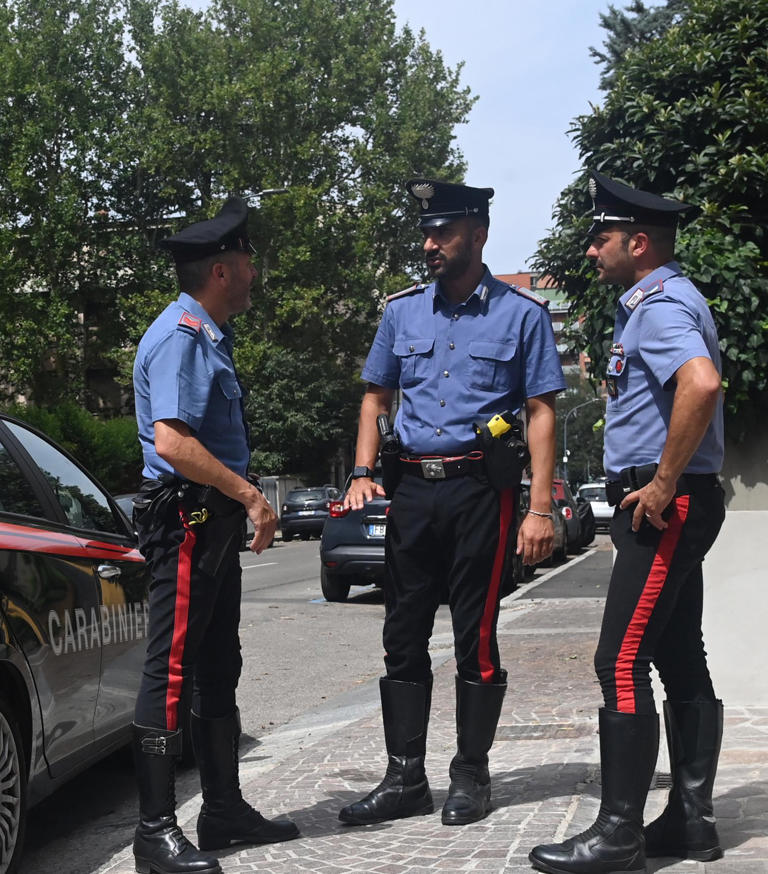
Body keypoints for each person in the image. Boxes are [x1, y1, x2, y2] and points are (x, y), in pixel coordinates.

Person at [338, 179, 565, 829]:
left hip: (478, 492)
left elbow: (541, 410)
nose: (430, 244)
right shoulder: (401, 312)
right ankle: (405, 776)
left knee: (477, 637)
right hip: (410, 489)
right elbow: (376, 397)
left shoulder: (522, 316)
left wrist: (540, 506)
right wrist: (360, 470)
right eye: (426, 233)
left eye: (443, 232)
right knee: (401, 634)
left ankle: (471, 773)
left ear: (478, 233)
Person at [529, 171, 726, 874]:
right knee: (680, 659)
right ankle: (691, 824)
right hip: (673, 502)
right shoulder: (655, 301)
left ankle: (619, 834)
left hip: (662, 506)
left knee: (619, 661)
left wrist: (664, 481)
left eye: (601, 238)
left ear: (638, 243)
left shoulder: (659, 304)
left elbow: (700, 383)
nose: (591, 251)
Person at [131, 197, 299, 874]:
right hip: (188, 521)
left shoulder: (209, 335)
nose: (256, 271)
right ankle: (153, 832)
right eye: (249, 260)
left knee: (215, 668)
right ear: (223, 270)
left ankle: (223, 810)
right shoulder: (181, 336)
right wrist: (251, 496)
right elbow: (173, 441)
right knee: (168, 672)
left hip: (213, 525)